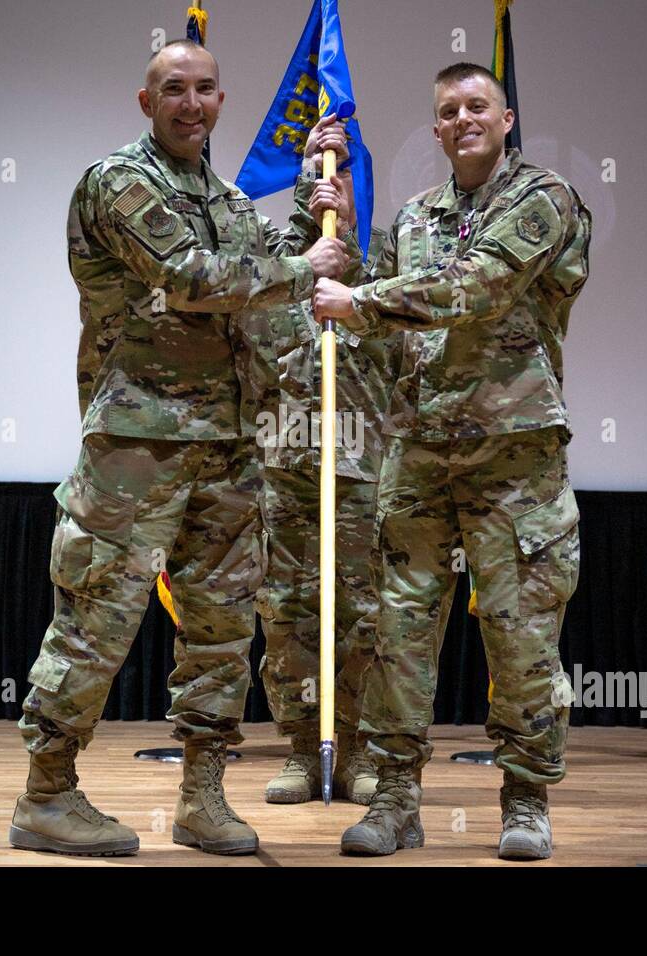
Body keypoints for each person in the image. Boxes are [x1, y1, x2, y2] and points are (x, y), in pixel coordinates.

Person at [10, 38, 349, 858]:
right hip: (138, 444)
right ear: (145, 100)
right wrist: (305, 267)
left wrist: (312, 194)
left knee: (223, 631)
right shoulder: (118, 183)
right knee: (97, 619)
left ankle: (202, 797)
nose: (190, 103)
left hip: (228, 448)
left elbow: (261, 272)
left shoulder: (225, 198)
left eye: (204, 89)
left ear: (221, 102)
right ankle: (46, 797)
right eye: (174, 89)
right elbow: (195, 278)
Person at [312, 62, 591, 859]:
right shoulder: (413, 218)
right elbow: (388, 320)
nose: (464, 118)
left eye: (478, 106)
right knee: (397, 634)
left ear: (506, 119)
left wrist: (359, 300)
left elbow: (479, 285)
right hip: (420, 451)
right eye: (448, 111)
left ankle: (526, 801)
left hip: (515, 457)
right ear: (436, 129)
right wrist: (341, 229)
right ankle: (396, 800)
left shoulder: (543, 200)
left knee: (521, 637)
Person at [235, 170, 394, 803]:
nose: (322, 185)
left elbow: (403, 339)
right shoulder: (272, 267)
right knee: (288, 612)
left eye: (335, 168)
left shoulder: (383, 260)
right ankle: (303, 749)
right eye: (310, 171)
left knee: (362, 615)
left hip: (359, 470)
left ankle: (356, 750)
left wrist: (350, 241)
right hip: (285, 470)